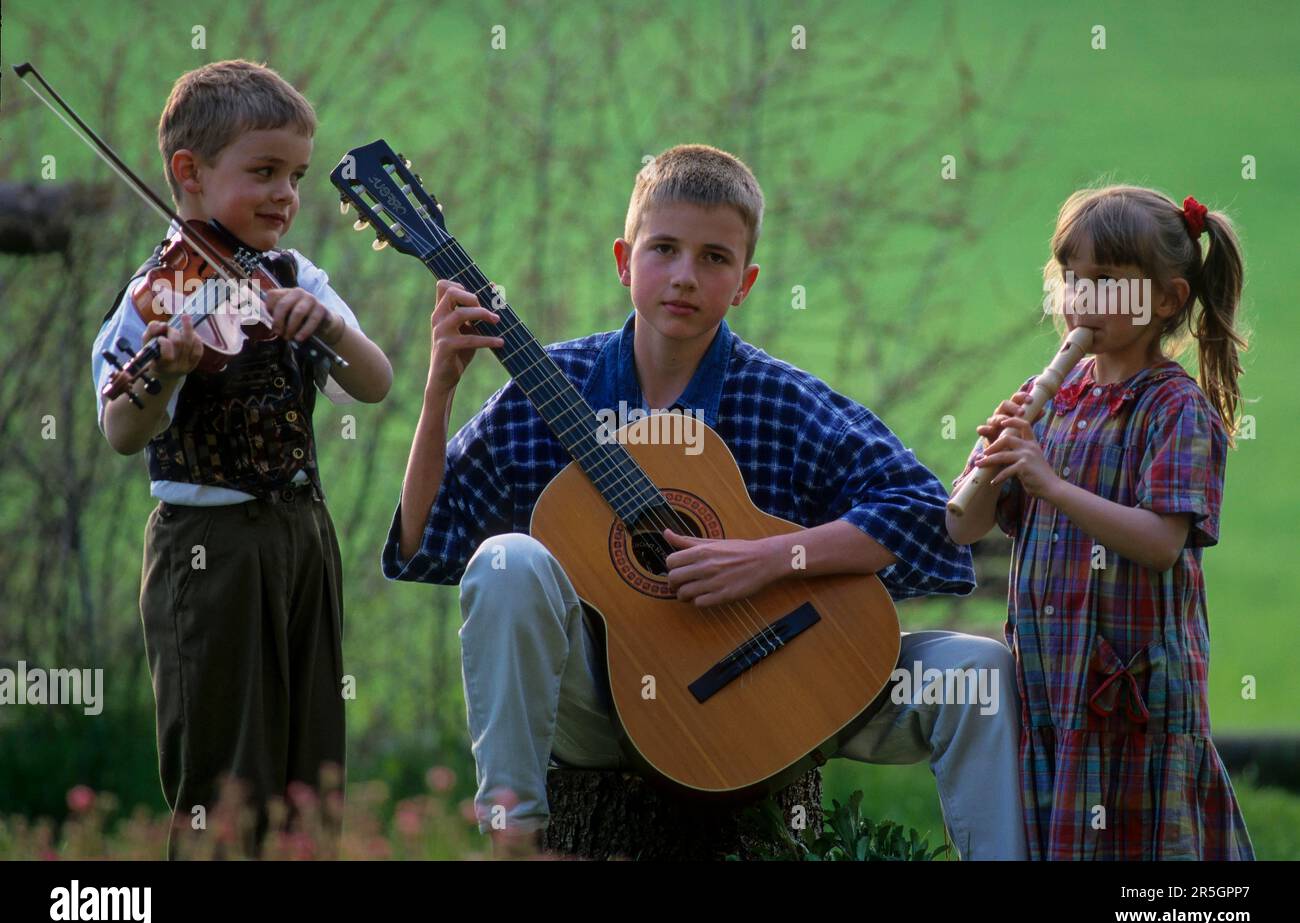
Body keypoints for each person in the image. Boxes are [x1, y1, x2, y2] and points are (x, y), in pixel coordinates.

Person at [385, 144, 1026, 860]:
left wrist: (767, 559)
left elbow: (918, 515)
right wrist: (439, 387)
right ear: (626, 261)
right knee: (506, 562)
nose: (686, 277)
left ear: (745, 282)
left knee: (981, 674)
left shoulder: (781, 399)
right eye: (665, 250)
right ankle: (515, 843)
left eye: (715, 258)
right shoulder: (547, 388)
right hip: (611, 709)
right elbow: (428, 537)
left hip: (789, 691)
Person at [91, 59, 392, 857]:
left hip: (303, 538)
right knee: (225, 774)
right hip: (211, 553)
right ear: (187, 174)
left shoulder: (295, 279)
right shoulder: (156, 295)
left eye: (293, 176)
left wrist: (327, 326)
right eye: (263, 173)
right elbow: (121, 429)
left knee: (311, 771)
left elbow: (375, 383)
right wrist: (168, 370)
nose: (285, 196)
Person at [947, 185, 1254, 860]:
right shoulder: (1048, 397)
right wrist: (993, 467)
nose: (1080, 301)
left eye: (1107, 283)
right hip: (1049, 691)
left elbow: (1160, 542)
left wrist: (1049, 483)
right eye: (1071, 280)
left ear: (1166, 300)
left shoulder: (1176, 411)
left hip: (1130, 699)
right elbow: (964, 529)